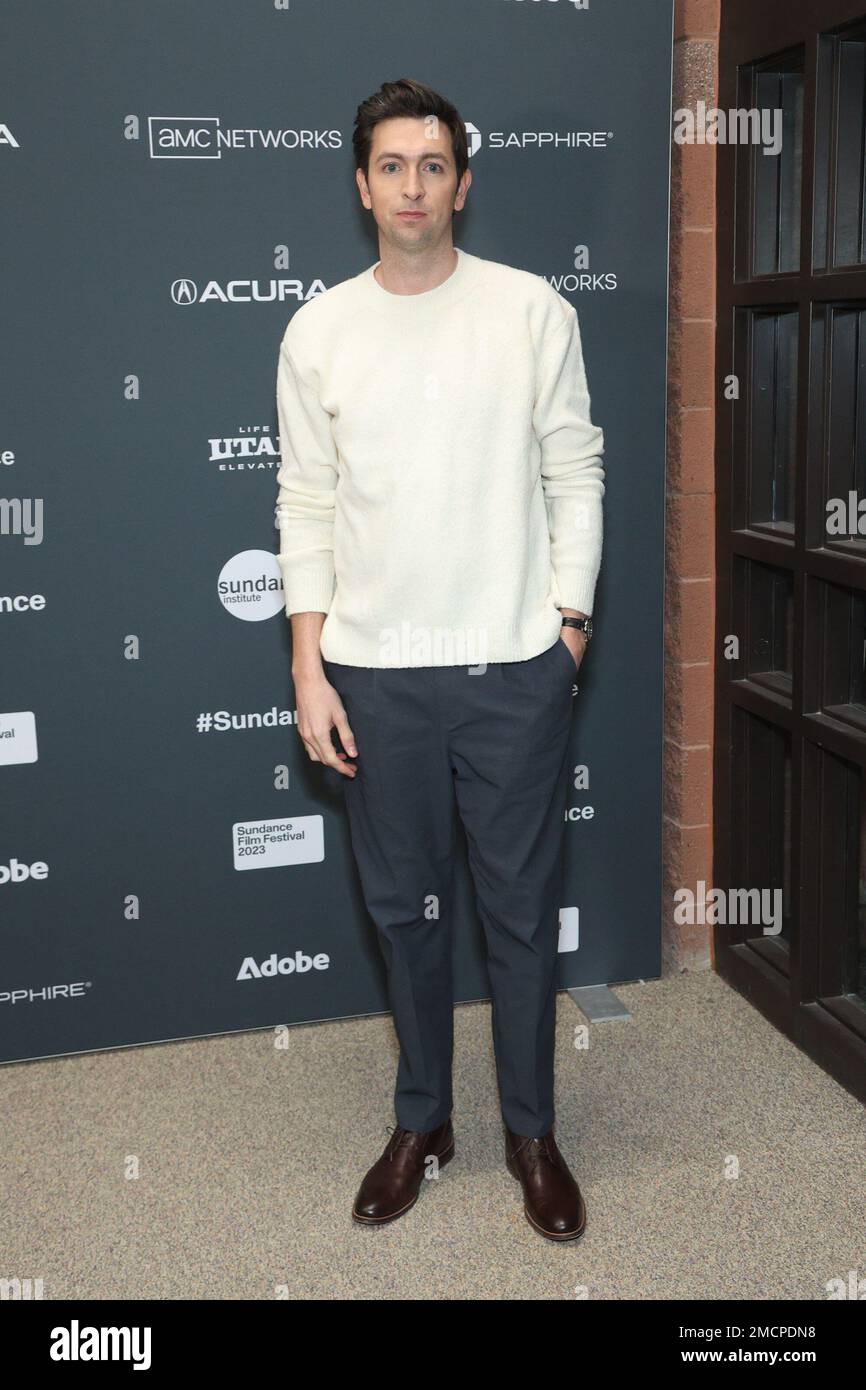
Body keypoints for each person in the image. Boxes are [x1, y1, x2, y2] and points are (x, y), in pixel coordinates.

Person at [274, 77, 604, 1241]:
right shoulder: (315, 330)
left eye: (433, 164)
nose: (413, 186)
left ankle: (529, 1129)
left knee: (519, 915)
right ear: (360, 185)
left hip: (513, 667)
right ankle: (423, 1117)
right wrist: (310, 668)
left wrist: (567, 621)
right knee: (407, 916)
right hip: (374, 677)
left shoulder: (530, 313)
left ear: (461, 180)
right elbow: (303, 504)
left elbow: (574, 470)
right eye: (391, 166)